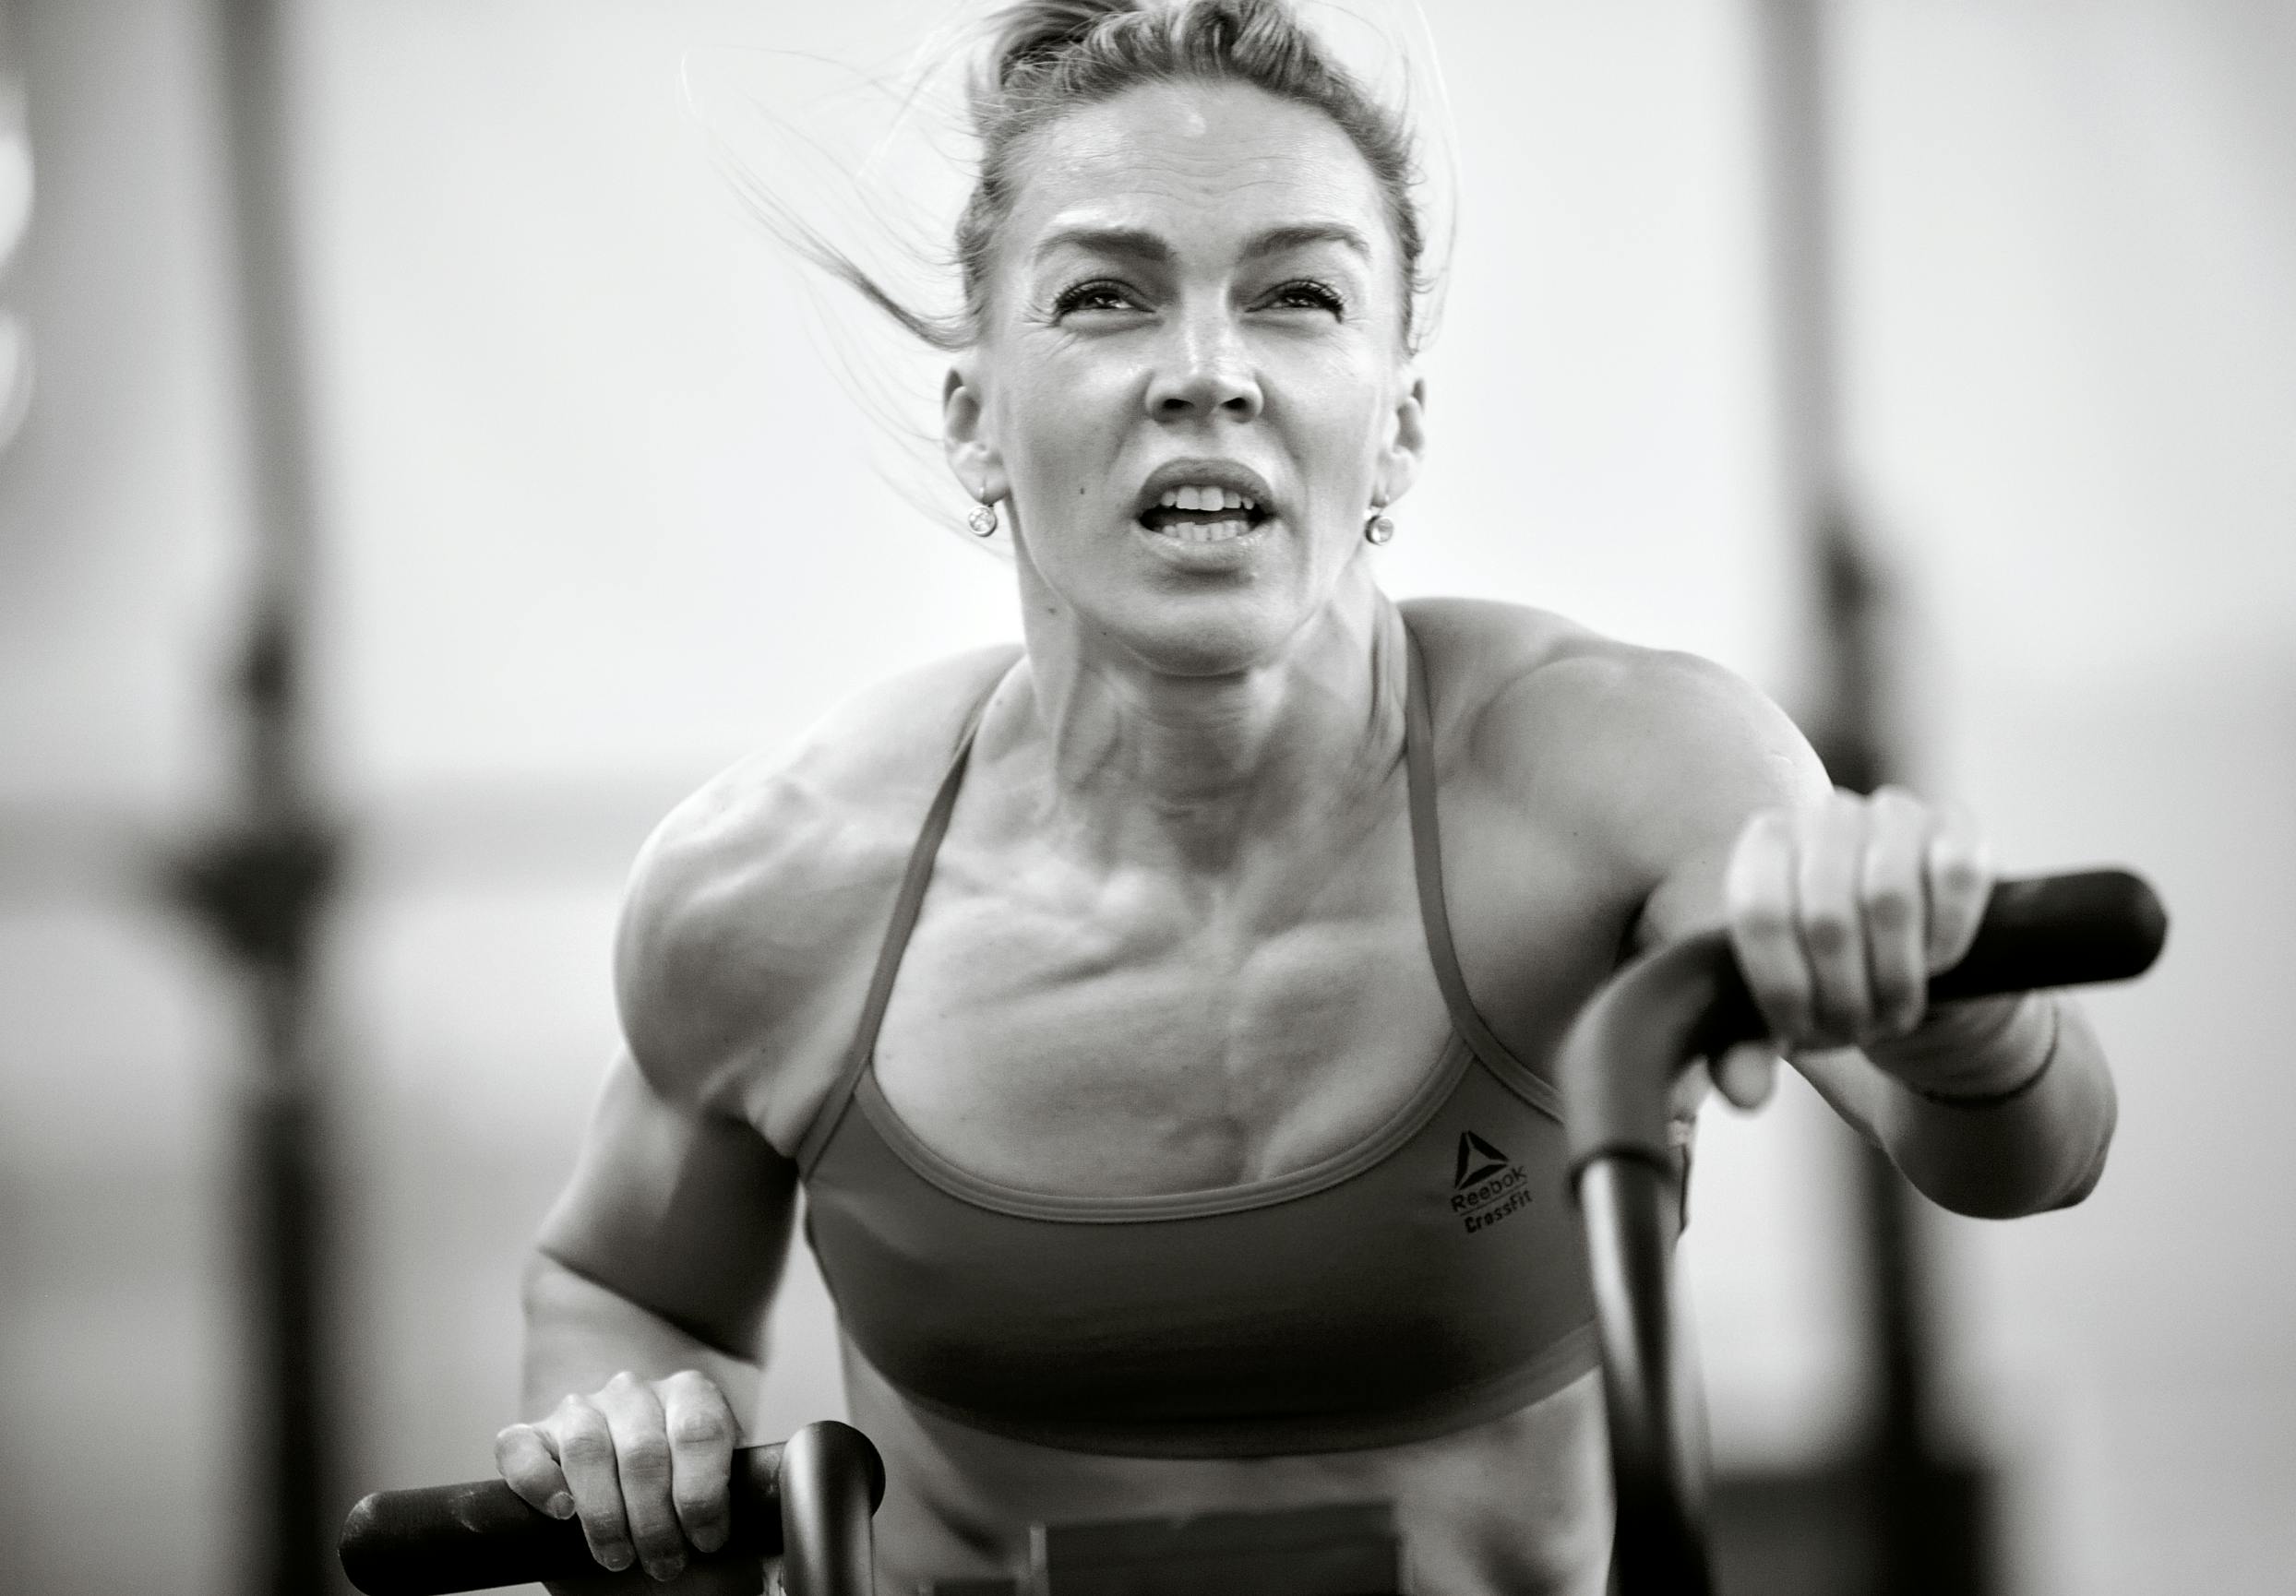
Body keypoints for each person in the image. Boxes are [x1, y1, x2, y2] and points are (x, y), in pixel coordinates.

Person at [494, 4, 2118, 1591]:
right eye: (1106, 298)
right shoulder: (780, 886)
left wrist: (1954, 1011)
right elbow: (622, 1286)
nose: (1207, 373)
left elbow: (2031, 1155)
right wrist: (627, 1428)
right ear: (976, 419)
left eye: (1297, 297)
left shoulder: (1632, 776)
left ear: (1398, 425)